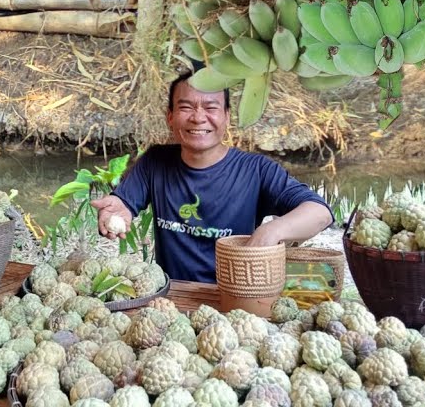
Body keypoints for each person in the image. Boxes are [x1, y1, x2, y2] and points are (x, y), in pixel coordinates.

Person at [92, 72, 333, 283]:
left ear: (227, 116)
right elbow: (124, 203)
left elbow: (320, 213)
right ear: (170, 117)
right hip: (173, 295)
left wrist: (272, 231)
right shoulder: (155, 162)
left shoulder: (256, 170)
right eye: (186, 107)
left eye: (210, 107)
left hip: (234, 296)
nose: (198, 117)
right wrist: (116, 211)